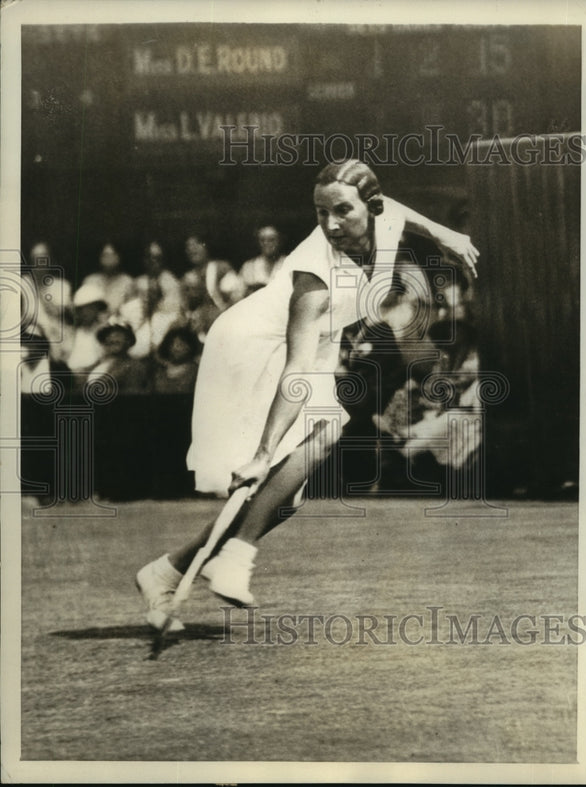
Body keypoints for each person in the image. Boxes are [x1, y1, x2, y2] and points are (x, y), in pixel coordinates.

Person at [136, 159, 479, 630]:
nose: (331, 224)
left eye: (341, 210)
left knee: (284, 498)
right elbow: (295, 371)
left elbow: (397, 208)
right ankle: (236, 555)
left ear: (371, 207)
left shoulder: (384, 218)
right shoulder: (313, 276)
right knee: (322, 428)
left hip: (313, 342)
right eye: (320, 213)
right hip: (253, 344)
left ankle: (165, 572)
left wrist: (447, 235)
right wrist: (263, 451)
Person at [80, 242, 135, 316]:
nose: (108, 259)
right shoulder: (90, 280)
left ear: (118, 257)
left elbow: (130, 309)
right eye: (105, 255)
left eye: (111, 255)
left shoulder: (127, 281)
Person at [238, 224, 287, 296]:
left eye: (271, 240)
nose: (266, 243)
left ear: (280, 241)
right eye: (262, 240)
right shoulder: (249, 266)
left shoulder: (289, 263)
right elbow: (238, 295)